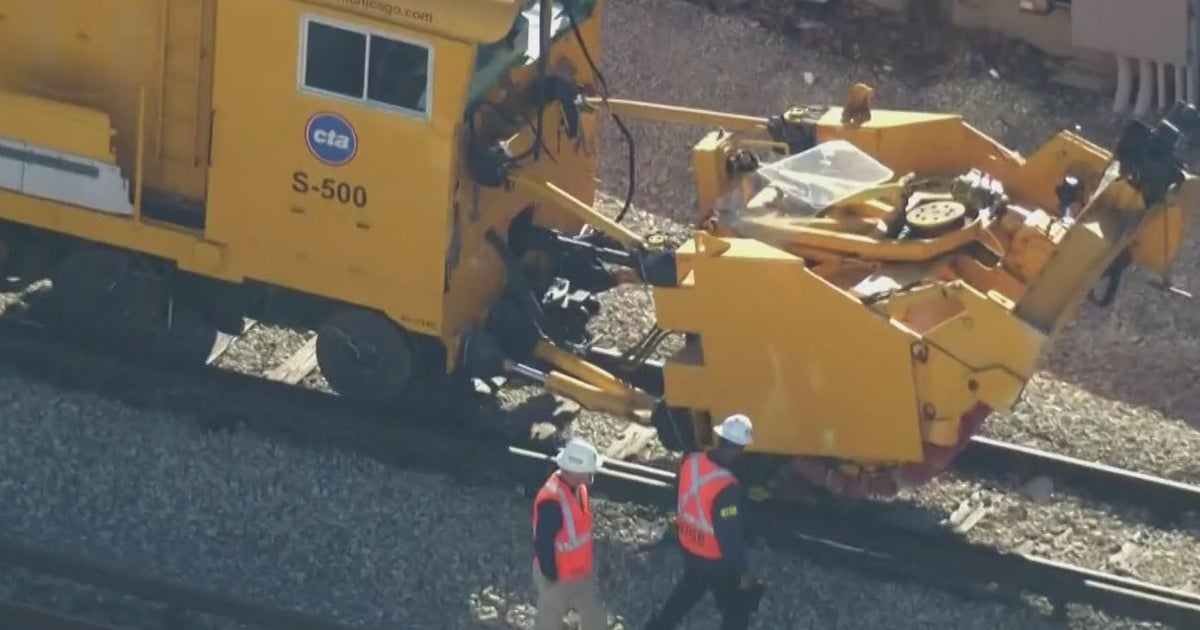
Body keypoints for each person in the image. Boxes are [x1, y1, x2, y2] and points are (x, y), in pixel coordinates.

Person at [643, 413, 762, 630]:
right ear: (739, 448)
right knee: (735, 606)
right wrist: (743, 573)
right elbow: (730, 538)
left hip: (688, 543)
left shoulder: (691, 461)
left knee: (691, 587)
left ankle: (658, 626)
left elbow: (681, 495)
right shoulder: (727, 487)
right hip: (713, 558)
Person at [532, 437, 608, 630]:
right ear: (575, 472)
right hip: (559, 576)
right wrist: (551, 576)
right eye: (588, 471)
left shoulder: (578, 487)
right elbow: (543, 544)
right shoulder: (551, 502)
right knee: (548, 620)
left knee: (594, 612)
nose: (592, 475)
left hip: (581, 571)